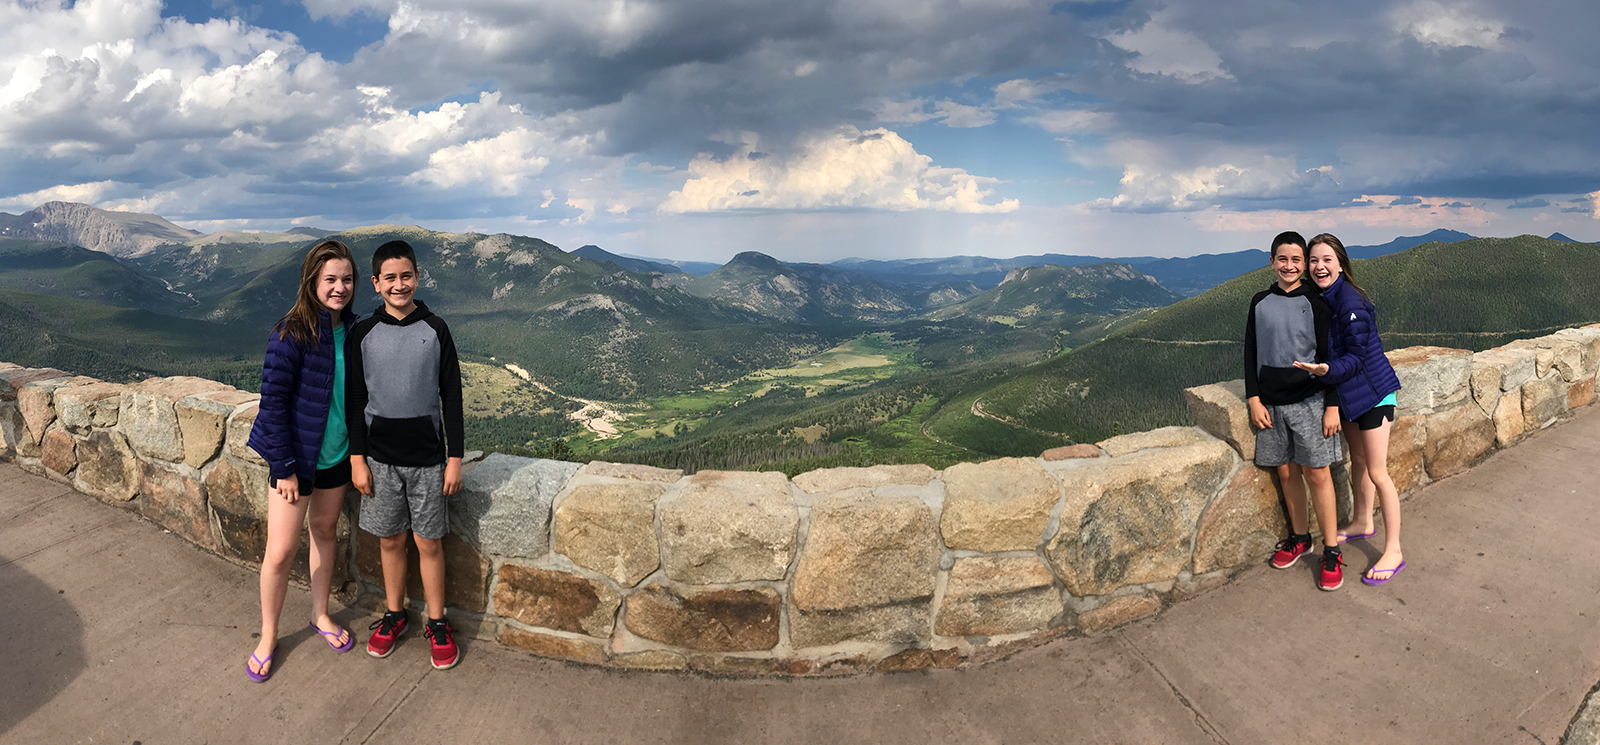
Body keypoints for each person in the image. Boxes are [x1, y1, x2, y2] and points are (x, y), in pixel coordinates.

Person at [243, 239, 359, 682]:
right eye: (330, 279)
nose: (339, 287)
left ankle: (320, 614)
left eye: (346, 279)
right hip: (296, 462)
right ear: (312, 282)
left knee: (325, 532)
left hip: (337, 457)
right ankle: (269, 635)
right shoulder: (290, 334)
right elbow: (272, 406)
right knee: (281, 551)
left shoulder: (355, 331)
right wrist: (285, 468)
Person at [348, 239, 465, 670]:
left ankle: (437, 621)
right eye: (390, 278)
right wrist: (357, 459)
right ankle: (394, 614)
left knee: (429, 543)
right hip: (379, 460)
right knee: (391, 540)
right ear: (376, 283)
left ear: (418, 277)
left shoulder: (435, 329)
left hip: (429, 460)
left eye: (407, 276)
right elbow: (356, 398)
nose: (399, 285)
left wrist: (455, 458)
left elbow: (451, 396)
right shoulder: (363, 333)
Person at [1295, 233, 1406, 585]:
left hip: (1373, 394)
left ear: (1340, 263)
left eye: (1327, 259)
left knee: (1377, 472)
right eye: (1314, 260)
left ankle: (1394, 550)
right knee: (1359, 462)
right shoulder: (1328, 296)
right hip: (1352, 398)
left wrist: (1326, 372)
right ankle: (1362, 522)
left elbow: (1357, 358)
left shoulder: (1349, 302)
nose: (1319, 266)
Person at [1247, 231, 1347, 590]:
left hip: (1310, 401)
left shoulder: (1317, 304)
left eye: (1296, 260)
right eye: (1282, 259)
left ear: (1304, 265)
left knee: (1317, 474)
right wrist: (1254, 398)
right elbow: (1251, 352)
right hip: (1271, 404)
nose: (1289, 266)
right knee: (1287, 473)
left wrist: (1332, 404)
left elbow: (1329, 358)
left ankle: (1332, 550)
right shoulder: (1259, 302)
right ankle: (1300, 538)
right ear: (1271, 262)